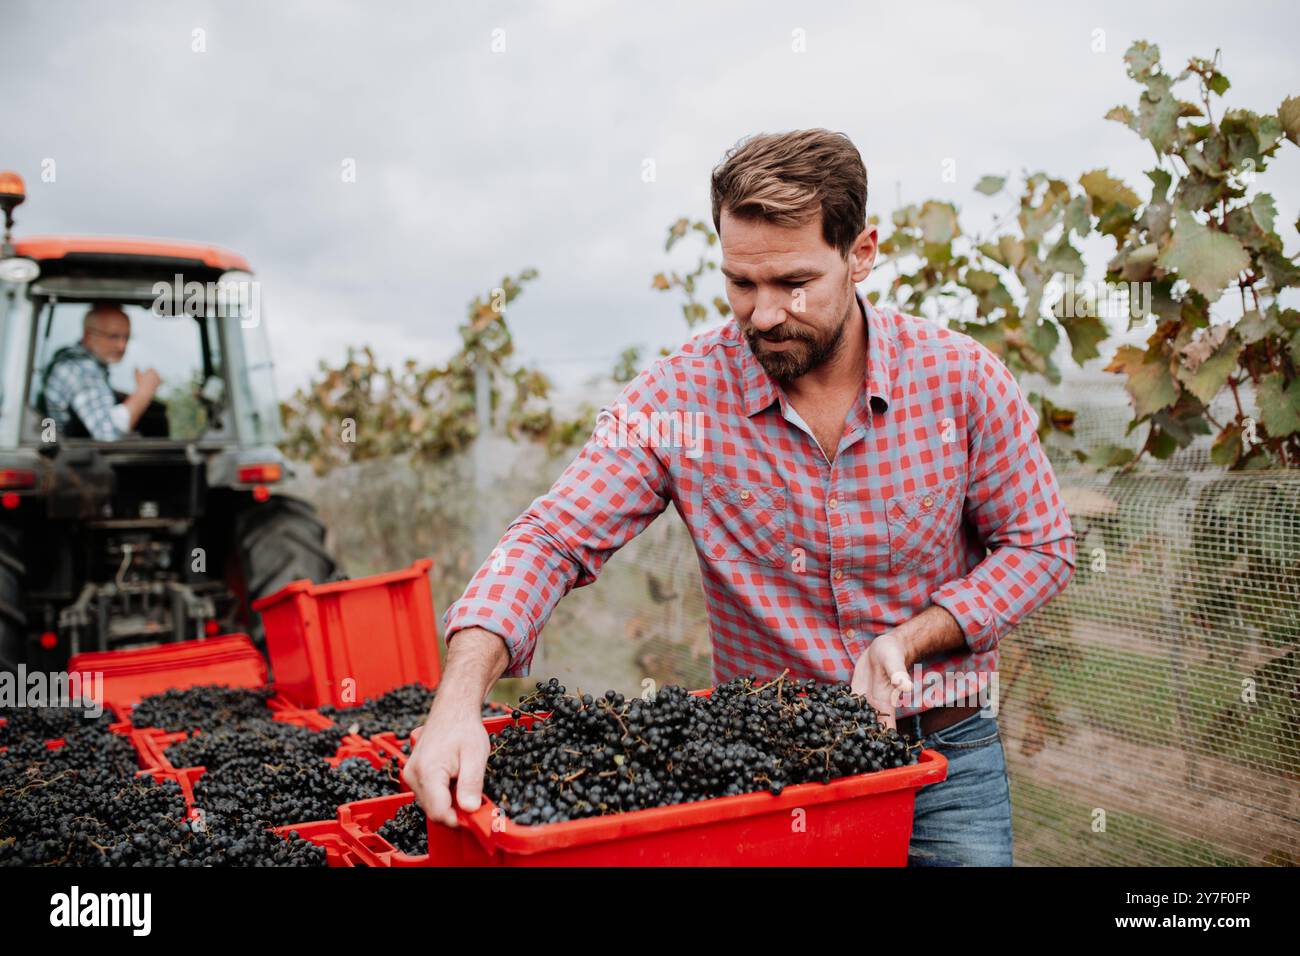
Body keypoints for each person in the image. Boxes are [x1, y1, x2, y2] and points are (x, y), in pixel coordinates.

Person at [404, 128, 1077, 866]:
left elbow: (1039, 546)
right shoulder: (681, 397)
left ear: (861, 254)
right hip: (771, 774)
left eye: (792, 283)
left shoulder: (961, 381)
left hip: (944, 756)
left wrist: (912, 639)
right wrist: (460, 699)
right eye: (739, 283)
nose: (760, 315)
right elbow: (553, 537)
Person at [40, 304, 162, 440]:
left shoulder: (82, 366)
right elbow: (108, 437)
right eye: (113, 336)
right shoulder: (80, 370)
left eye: (126, 337)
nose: (122, 346)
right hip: (63, 457)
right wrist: (143, 392)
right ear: (89, 335)